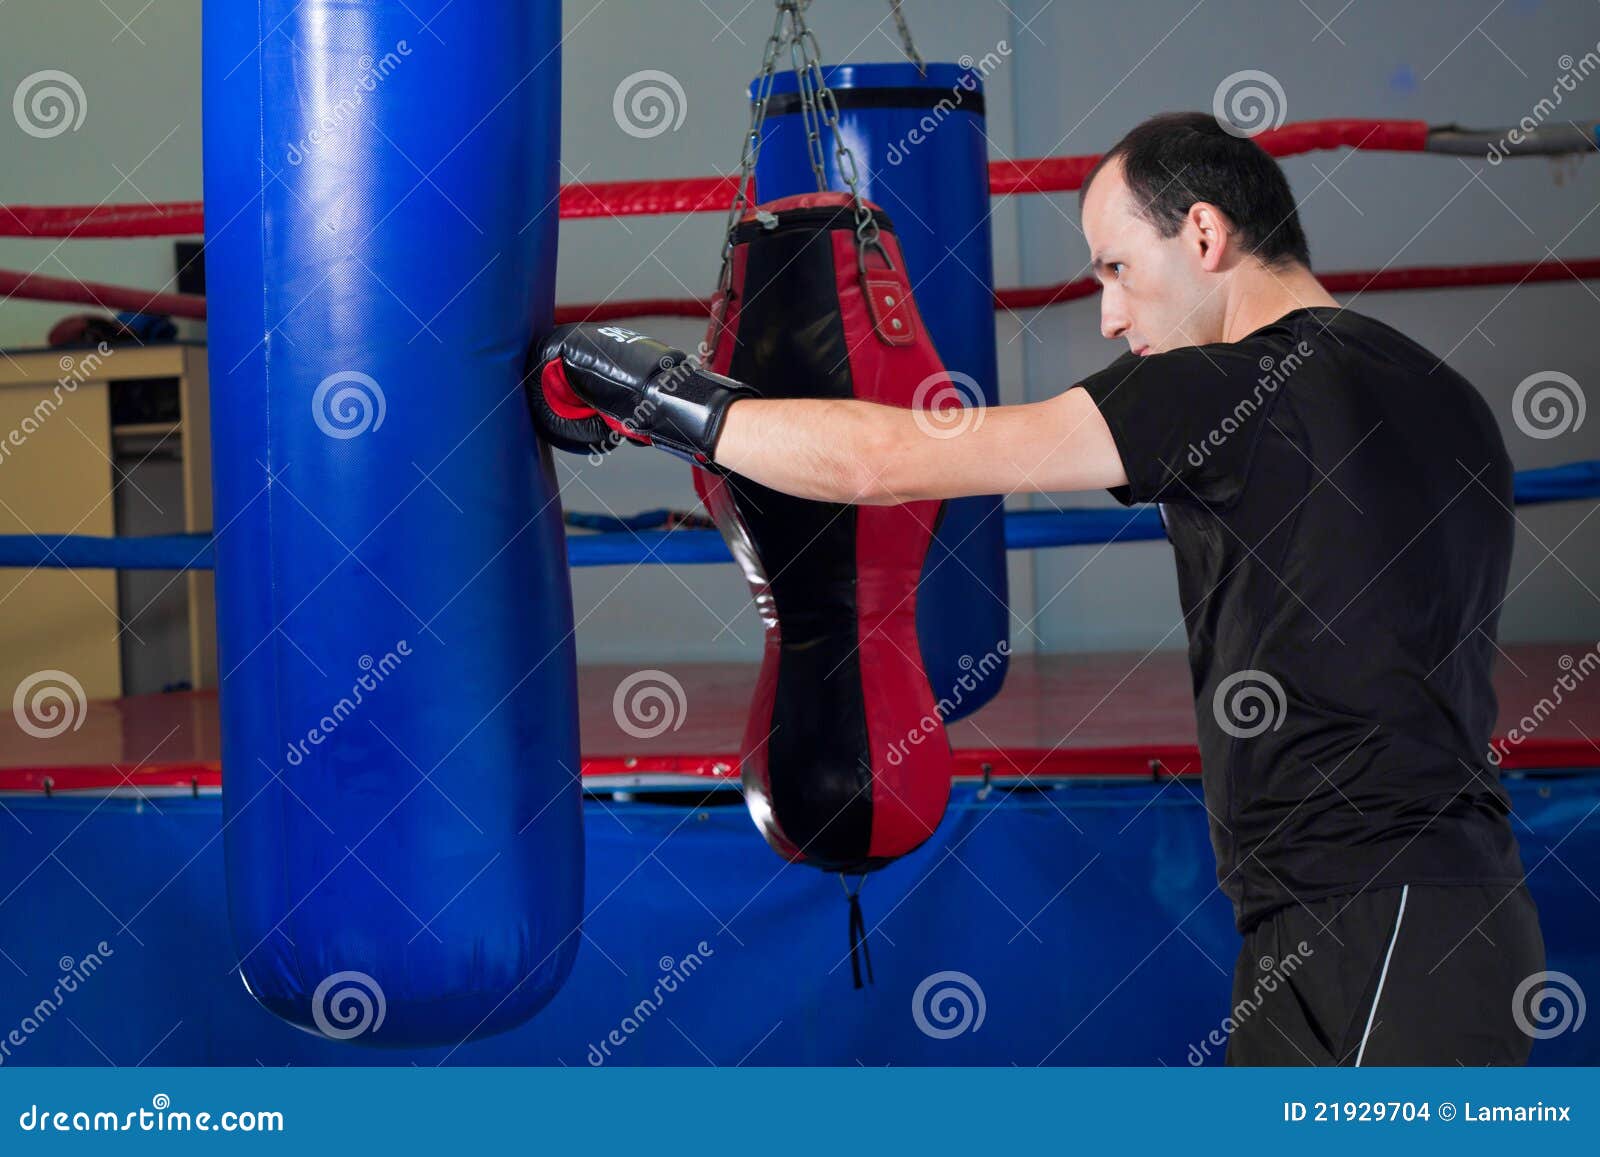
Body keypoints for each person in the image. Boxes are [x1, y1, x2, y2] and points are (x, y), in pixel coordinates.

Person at [534, 111, 1544, 1066]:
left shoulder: (1229, 388)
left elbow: (885, 463)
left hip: (1364, 913)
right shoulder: (1442, 394)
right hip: (1446, 902)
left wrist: (662, 396)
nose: (1106, 314)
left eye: (1115, 267)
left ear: (1202, 233)